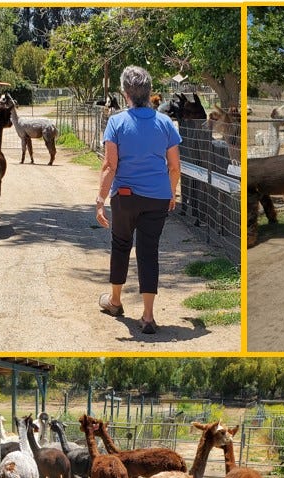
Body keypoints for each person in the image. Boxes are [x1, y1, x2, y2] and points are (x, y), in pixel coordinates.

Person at [95, 65, 181, 334]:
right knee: (148, 251)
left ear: (125, 92)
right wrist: (171, 193)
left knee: (121, 244)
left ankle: (115, 301)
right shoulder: (165, 123)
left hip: (125, 197)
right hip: (157, 197)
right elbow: (174, 166)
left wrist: (99, 200)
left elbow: (110, 165)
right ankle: (148, 316)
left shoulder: (117, 122)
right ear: (149, 91)